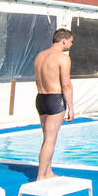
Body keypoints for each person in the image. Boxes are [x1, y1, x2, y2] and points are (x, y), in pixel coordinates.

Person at [33, 28, 74, 180]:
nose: (71, 44)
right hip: (55, 99)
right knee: (50, 139)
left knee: (46, 139)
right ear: (64, 40)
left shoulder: (40, 56)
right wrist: (71, 107)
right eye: (71, 42)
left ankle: (48, 171)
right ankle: (41, 176)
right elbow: (66, 85)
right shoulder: (63, 58)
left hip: (41, 98)